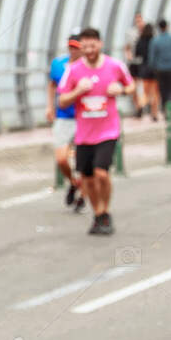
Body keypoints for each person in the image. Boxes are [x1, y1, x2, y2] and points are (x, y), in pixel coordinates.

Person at [57, 28, 135, 236]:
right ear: (81, 47)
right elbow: (62, 100)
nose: (89, 50)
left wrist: (121, 90)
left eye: (93, 46)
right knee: (88, 178)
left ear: (100, 44)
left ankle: (106, 210)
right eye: (85, 47)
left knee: (102, 172)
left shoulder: (115, 66)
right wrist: (78, 91)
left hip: (108, 131)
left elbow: (131, 86)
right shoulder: (73, 71)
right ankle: (98, 214)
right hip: (84, 133)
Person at [47, 35, 85, 214]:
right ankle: (73, 182)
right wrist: (50, 107)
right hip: (64, 117)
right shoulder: (58, 64)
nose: (73, 50)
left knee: (84, 161)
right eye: (71, 47)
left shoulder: (88, 67)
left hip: (84, 118)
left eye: (76, 47)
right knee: (61, 158)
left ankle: (82, 197)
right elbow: (52, 85)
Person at [131, 21, 156, 120]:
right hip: (154, 69)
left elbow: (137, 54)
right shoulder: (154, 41)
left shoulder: (140, 41)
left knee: (145, 92)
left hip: (144, 69)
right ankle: (154, 113)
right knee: (154, 92)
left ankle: (141, 105)